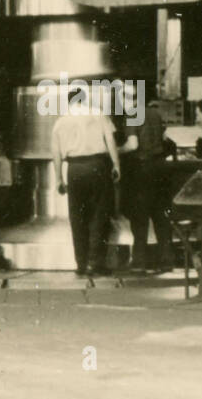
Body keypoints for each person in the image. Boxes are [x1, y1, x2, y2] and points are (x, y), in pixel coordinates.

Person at [52, 86, 120, 277]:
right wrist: (116, 165)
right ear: (85, 99)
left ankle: (81, 264)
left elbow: (56, 153)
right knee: (100, 214)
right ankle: (95, 263)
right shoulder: (98, 115)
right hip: (97, 165)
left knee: (77, 217)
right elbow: (110, 141)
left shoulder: (60, 122)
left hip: (74, 169)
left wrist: (58, 178)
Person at [116, 87, 176, 273]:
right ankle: (167, 260)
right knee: (160, 216)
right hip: (160, 169)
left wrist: (114, 152)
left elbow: (133, 145)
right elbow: (165, 139)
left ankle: (139, 262)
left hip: (142, 171)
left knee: (140, 217)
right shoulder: (154, 113)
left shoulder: (133, 114)